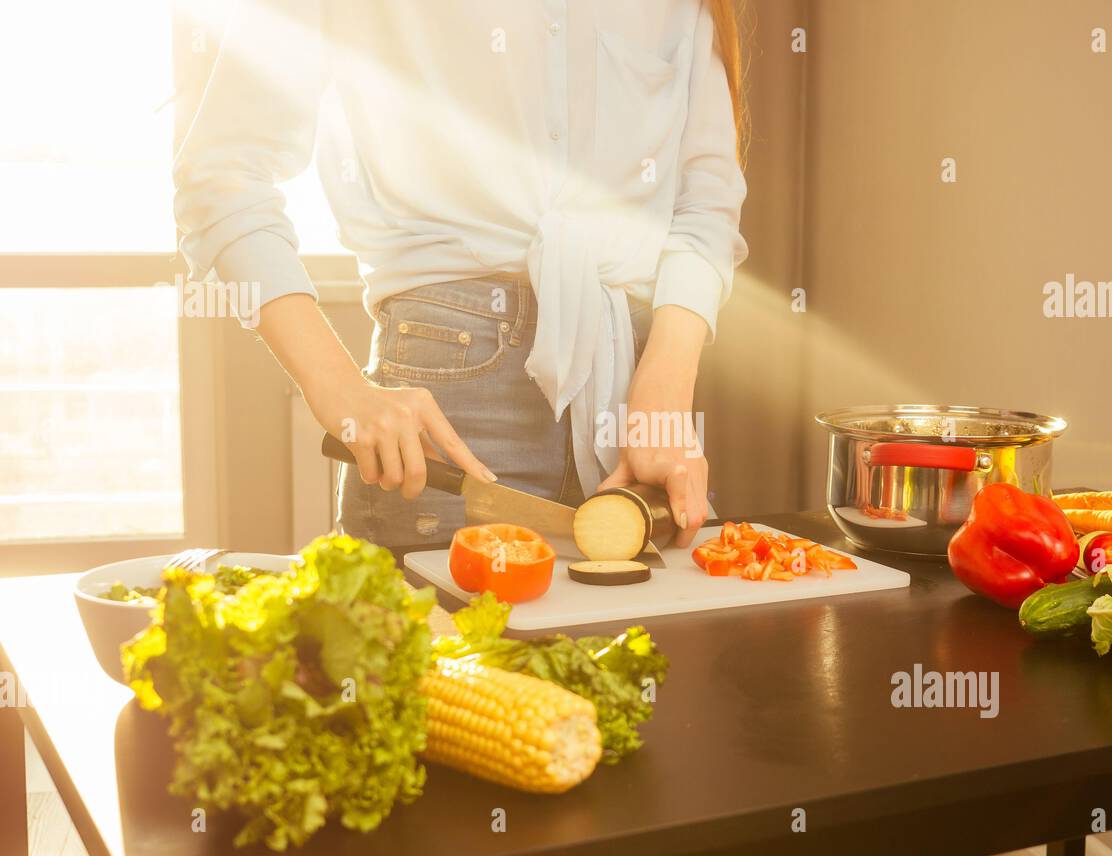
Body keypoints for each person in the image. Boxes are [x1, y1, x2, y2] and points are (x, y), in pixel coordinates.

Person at [174, 1, 748, 558]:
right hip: (452, 412)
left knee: (646, 656)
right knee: (444, 656)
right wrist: (338, 391)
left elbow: (706, 204)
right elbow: (223, 173)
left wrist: (665, 396)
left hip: (640, 403)